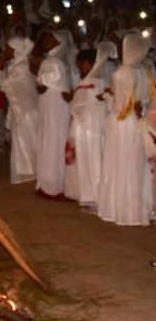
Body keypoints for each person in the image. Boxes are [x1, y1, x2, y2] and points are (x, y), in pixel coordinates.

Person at [98, 33, 154, 225]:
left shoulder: (121, 73)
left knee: (120, 164)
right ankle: (138, 210)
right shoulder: (146, 71)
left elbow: (120, 106)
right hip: (140, 120)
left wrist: (107, 97)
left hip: (122, 123)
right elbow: (146, 98)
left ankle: (119, 209)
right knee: (137, 164)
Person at [66, 45, 113, 211]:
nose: (79, 68)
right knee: (99, 161)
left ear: (88, 63)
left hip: (86, 128)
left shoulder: (86, 83)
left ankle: (93, 200)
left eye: (81, 64)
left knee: (88, 163)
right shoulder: (105, 81)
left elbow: (76, 106)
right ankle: (101, 197)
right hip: (101, 127)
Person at [35, 31, 72, 199]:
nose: (45, 41)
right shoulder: (53, 60)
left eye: (50, 38)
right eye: (45, 38)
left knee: (52, 140)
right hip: (52, 103)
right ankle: (51, 183)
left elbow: (42, 84)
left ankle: (51, 184)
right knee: (53, 139)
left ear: (59, 42)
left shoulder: (53, 61)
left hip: (54, 104)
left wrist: (39, 79)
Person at [0, 37, 39, 184]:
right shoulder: (17, 65)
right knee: (25, 140)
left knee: (25, 140)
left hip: (25, 110)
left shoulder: (21, 67)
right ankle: (28, 170)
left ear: (16, 50)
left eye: (8, 49)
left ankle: (29, 171)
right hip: (23, 108)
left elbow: (4, 86)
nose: (5, 51)